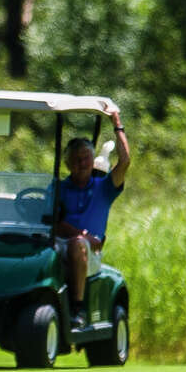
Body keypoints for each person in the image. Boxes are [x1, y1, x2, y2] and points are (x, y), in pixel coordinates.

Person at [54, 105, 130, 328]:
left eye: (86, 158)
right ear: (68, 163)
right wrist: (79, 234)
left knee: (77, 245)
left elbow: (124, 162)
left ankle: (77, 308)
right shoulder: (59, 188)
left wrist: (117, 123)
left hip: (89, 252)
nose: (82, 163)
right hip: (62, 244)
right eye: (77, 159)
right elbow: (52, 223)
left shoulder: (103, 188)